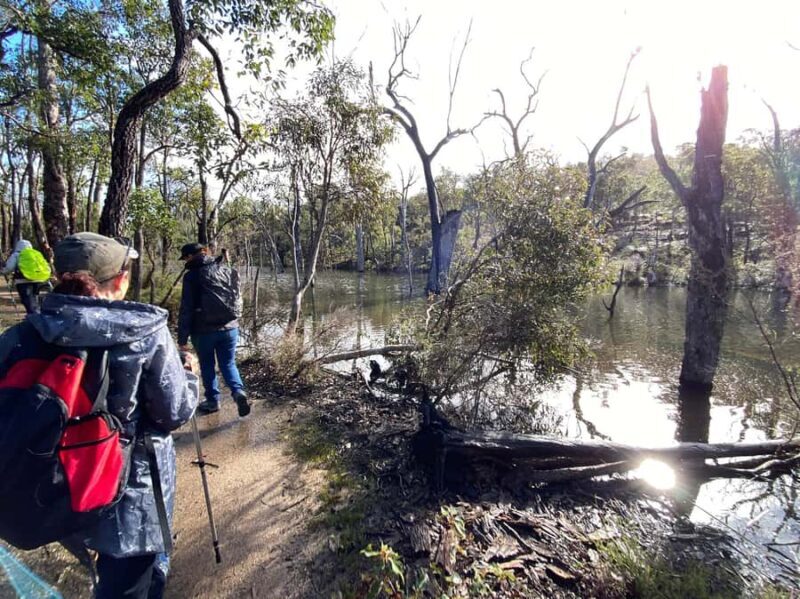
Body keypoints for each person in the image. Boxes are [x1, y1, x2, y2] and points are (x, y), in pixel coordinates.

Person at [0, 232, 200, 598]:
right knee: (129, 586)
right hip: (130, 498)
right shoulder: (146, 333)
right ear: (121, 281)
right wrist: (190, 376)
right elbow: (174, 412)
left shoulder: (22, 334)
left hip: (55, 486)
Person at [177, 242, 250, 417]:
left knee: (207, 364)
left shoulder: (191, 276)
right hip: (230, 328)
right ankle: (238, 392)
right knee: (228, 363)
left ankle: (212, 401)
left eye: (185, 257)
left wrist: (182, 339)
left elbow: (186, 309)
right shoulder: (224, 269)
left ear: (189, 256)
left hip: (203, 331)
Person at [2, 239, 50, 314]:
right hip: (39, 279)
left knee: (28, 302)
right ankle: (38, 316)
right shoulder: (36, 253)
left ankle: (34, 318)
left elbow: (9, 268)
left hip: (23, 281)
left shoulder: (17, 254)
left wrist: (3, 271)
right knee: (35, 299)